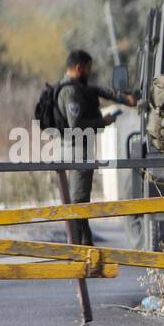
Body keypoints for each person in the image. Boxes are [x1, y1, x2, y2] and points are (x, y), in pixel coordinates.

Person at [55, 49, 136, 246]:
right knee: (79, 202)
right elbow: (76, 125)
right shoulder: (71, 91)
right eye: (88, 69)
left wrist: (124, 99)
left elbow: (98, 90)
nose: (90, 73)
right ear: (79, 68)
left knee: (80, 201)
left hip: (78, 150)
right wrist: (103, 121)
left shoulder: (77, 87)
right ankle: (80, 248)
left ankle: (83, 245)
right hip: (77, 152)